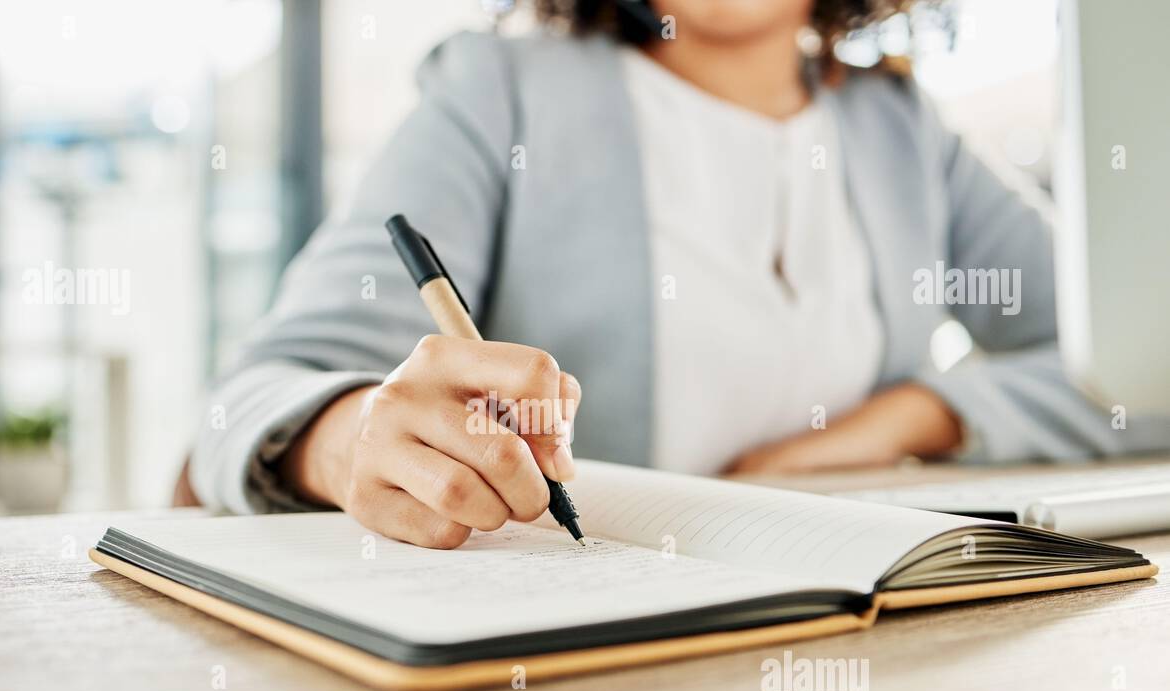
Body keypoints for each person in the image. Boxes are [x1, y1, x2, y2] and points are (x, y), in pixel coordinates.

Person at [190, 0, 1170, 548]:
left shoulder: (900, 129)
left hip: (862, 637)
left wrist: (918, 415)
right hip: (581, 658)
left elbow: (1137, 366)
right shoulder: (501, 91)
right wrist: (353, 433)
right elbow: (243, 406)